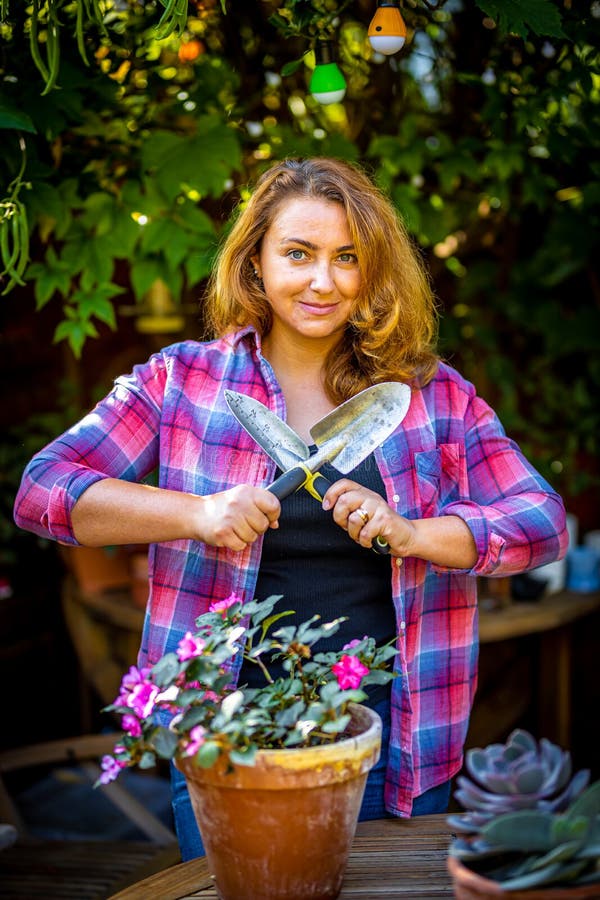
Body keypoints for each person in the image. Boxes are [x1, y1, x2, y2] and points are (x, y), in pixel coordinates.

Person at [14, 157, 567, 861]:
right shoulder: (182, 382)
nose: (323, 281)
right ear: (255, 263)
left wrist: (415, 532)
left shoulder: (431, 395)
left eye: (348, 258)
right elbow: (43, 490)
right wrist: (197, 514)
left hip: (395, 741)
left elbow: (541, 520)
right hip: (228, 743)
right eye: (298, 254)